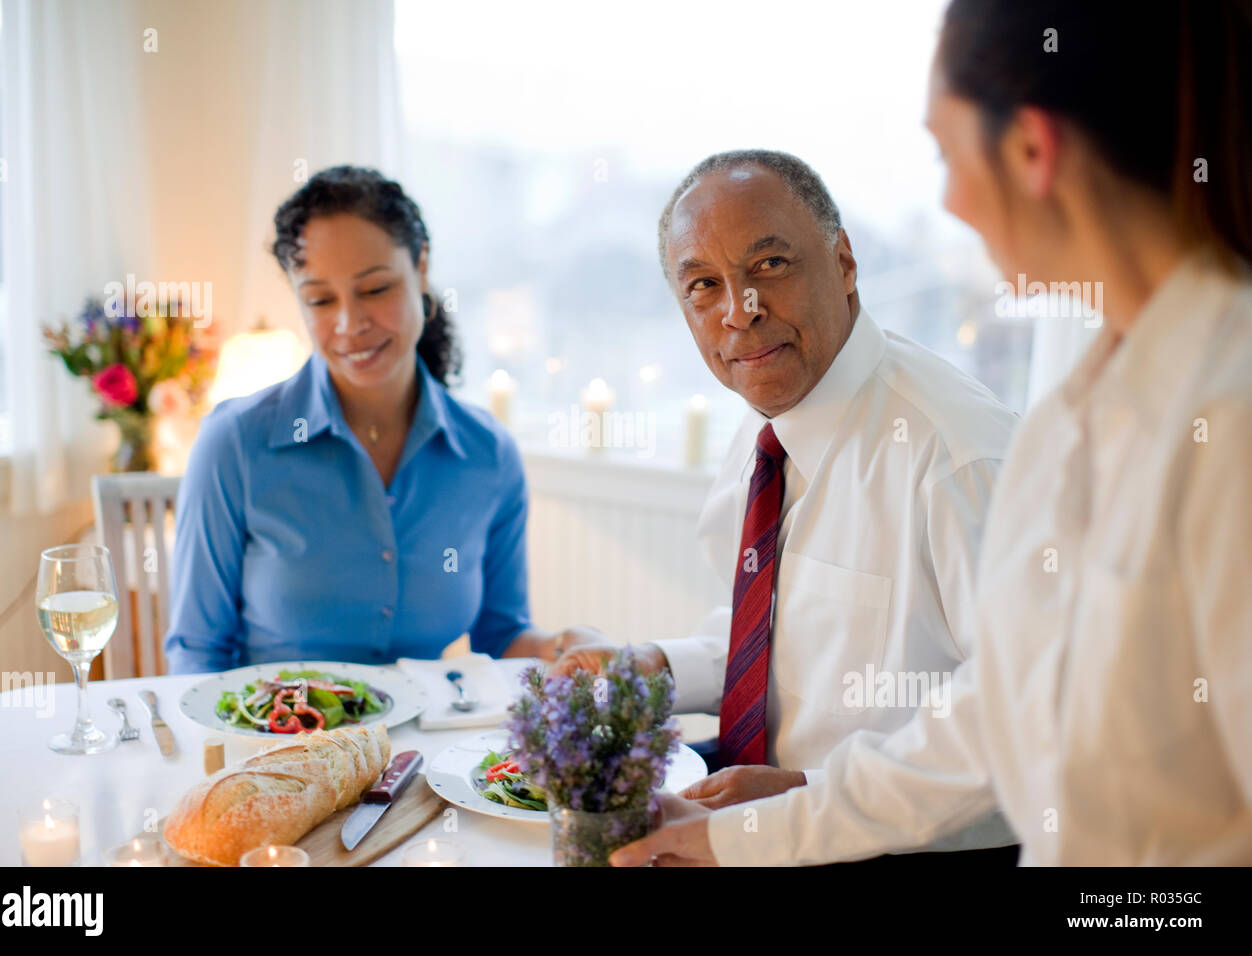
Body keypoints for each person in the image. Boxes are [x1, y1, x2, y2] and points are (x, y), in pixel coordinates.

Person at [612, 0, 1252, 866]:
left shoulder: (1213, 417)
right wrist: (740, 831)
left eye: (945, 153)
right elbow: (1000, 712)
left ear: (1032, 149)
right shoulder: (1092, 404)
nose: (948, 202)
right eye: (703, 286)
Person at [552, 148, 1020, 857]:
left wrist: (805, 797)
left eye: (769, 266)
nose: (739, 313)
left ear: (844, 262)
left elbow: (1024, 728)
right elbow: (774, 636)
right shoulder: (770, 417)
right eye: (704, 285)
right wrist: (651, 665)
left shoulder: (957, 455)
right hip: (766, 805)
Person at [165, 166, 598, 671]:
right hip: (275, 743)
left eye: (374, 290)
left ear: (421, 267)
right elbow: (197, 654)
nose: (350, 324)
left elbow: (501, 635)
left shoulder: (487, 452)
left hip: (425, 749)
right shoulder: (235, 444)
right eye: (321, 300)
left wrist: (564, 647)